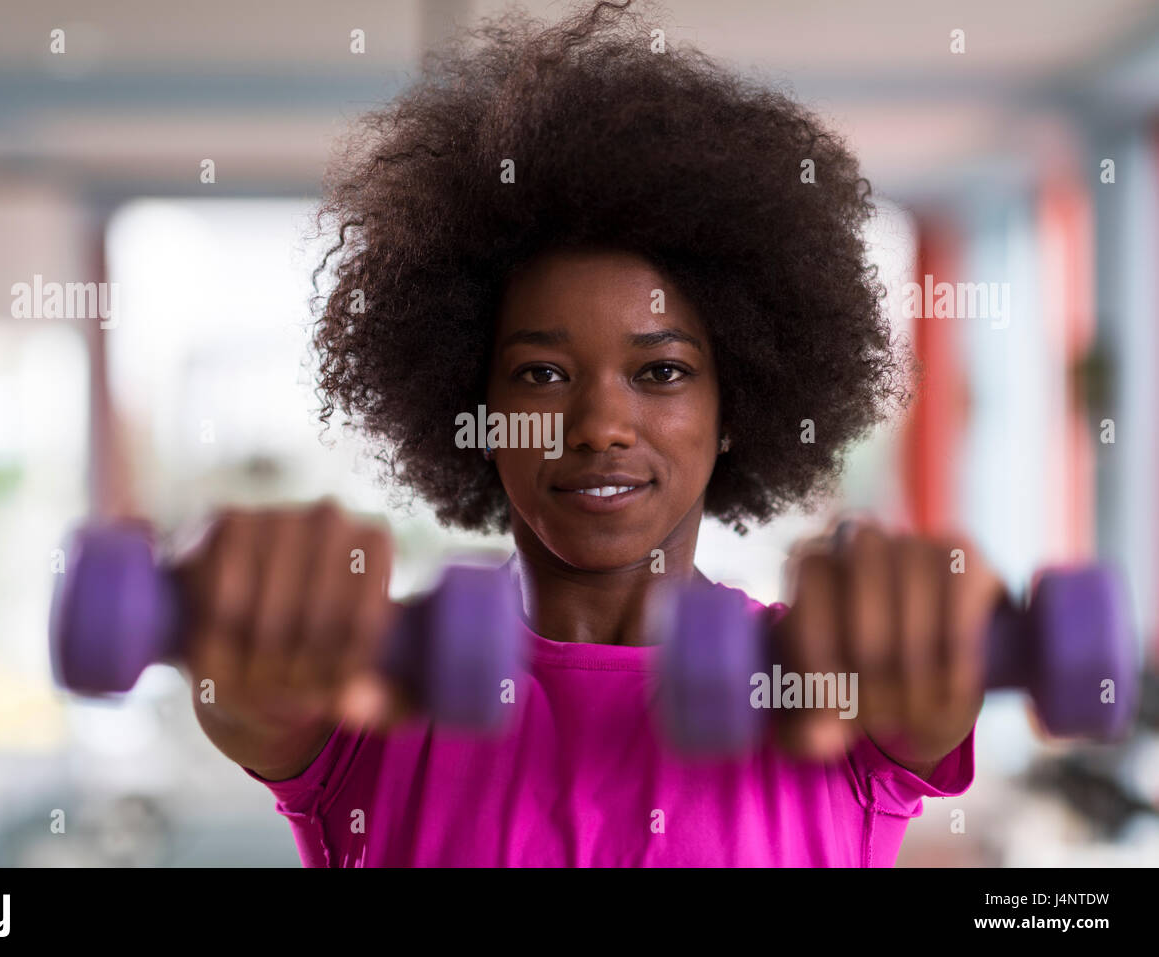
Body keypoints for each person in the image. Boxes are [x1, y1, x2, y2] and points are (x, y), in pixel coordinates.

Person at [184, 0, 1006, 866]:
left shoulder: (827, 690)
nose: (601, 426)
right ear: (476, 403)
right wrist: (234, 617)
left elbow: (931, 710)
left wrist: (937, 616)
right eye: (541, 374)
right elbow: (246, 704)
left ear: (737, 407)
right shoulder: (377, 685)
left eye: (661, 372)